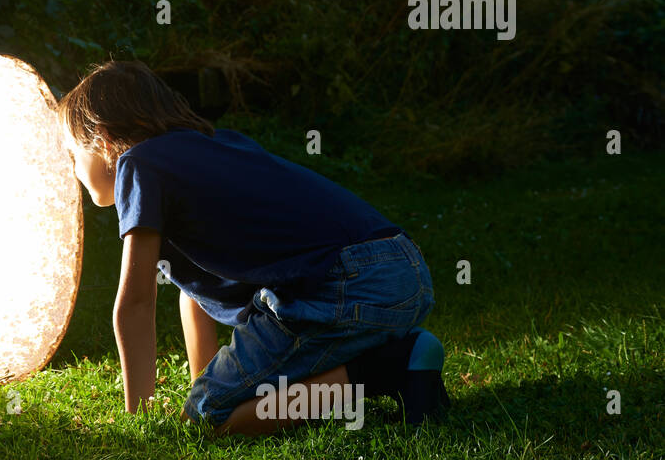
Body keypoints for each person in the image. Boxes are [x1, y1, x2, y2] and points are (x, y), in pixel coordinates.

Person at [56, 60, 450, 436]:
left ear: (103, 141)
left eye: (74, 154)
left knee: (211, 420)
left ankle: (389, 369)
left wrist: (139, 416)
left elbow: (137, 303)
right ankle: (403, 358)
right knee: (209, 401)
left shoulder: (137, 164)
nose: (74, 169)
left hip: (344, 284)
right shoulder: (215, 146)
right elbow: (193, 292)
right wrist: (206, 383)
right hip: (402, 271)